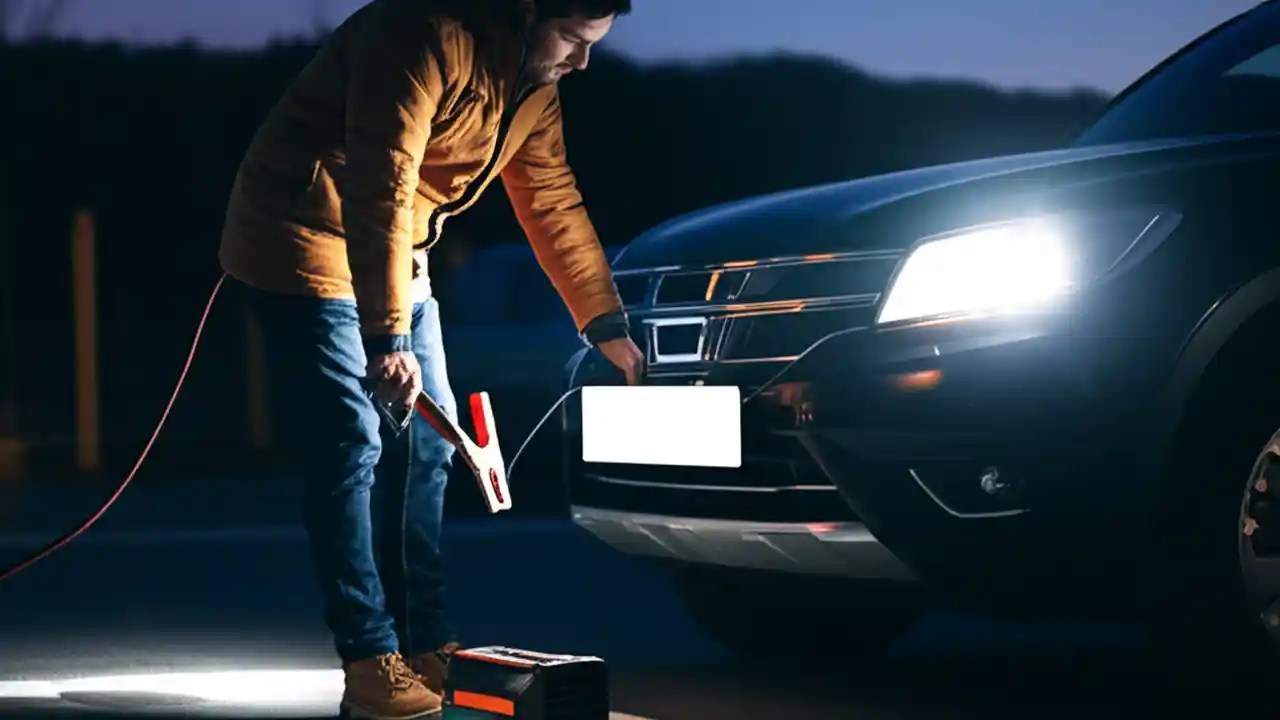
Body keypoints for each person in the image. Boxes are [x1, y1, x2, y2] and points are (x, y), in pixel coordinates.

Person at [217, 0, 644, 716]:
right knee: (352, 442)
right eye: (573, 40)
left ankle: (424, 642)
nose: (582, 61)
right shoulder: (416, 36)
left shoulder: (534, 87)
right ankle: (368, 657)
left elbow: (551, 197)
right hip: (300, 238)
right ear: (528, 9)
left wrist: (603, 321)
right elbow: (381, 180)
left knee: (429, 447)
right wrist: (387, 340)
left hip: (395, 254)